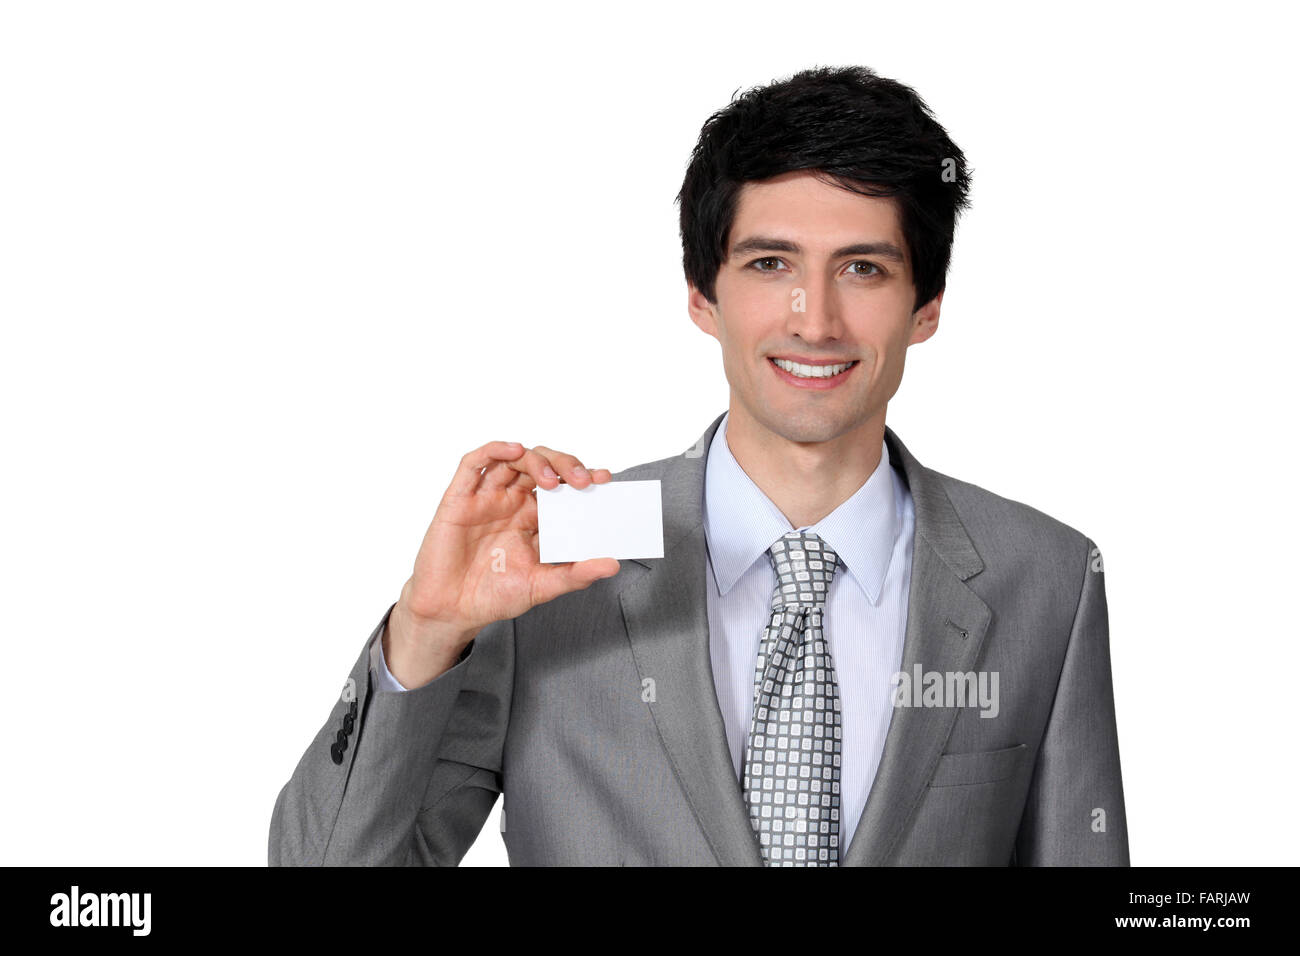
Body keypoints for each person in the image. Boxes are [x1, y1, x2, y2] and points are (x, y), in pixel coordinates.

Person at [269, 65, 1128, 866]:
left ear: (927, 307)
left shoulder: (1044, 578)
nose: (815, 319)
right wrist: (425, 632)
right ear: (702, 297)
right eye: (770, 264)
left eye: (863, 268)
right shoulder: (556, 556)